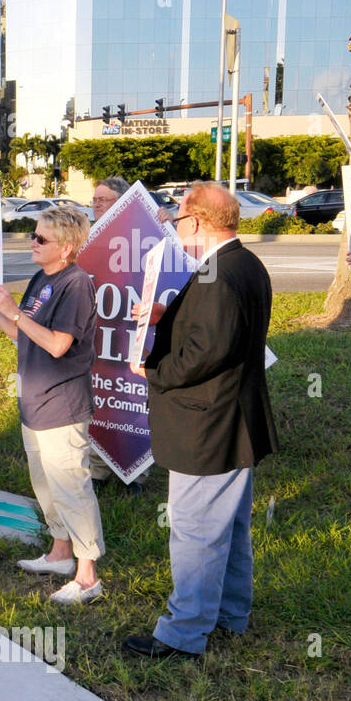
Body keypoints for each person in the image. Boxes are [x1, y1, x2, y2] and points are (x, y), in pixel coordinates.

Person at [124, 182, 277, 658]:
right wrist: (167, 313)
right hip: (236, 419)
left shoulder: (217, 275)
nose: (177, 231)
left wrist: (149, 369)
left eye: (179, 221)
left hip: (206, 426)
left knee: (194, 531)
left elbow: (204, 352)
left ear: (199, 222)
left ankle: (182, 633)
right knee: (229, 529)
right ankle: (231, 615)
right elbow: (221, 329)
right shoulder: (243, 264)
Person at [0, 204, 105, 604]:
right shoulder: (42, 277)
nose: (32, 243)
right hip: (35, 402)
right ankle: (59, 553)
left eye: (40, 239)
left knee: (72, 488)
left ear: (66, 248)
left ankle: (88, 577)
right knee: (45, 485)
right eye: (32, 235)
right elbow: (22, 336)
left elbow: (57, 344)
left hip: (62, 405)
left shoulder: (76, 284)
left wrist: (16, 312)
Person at [86, 175, 150, 495]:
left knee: (135, 401)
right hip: (98, 339)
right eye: (94, 199)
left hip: (134, 337)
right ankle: (97, 468)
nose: (96, 204)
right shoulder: (88, 237)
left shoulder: (143, 236)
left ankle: (135, 475)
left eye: (104, 200)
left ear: (123, 204)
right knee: (100, 401)